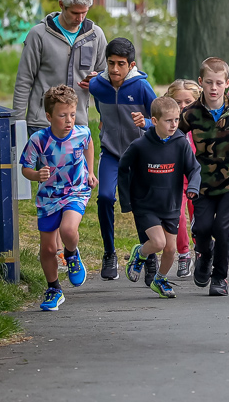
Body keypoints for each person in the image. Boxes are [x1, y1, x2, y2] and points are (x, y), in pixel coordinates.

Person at [13, 0, 107, 271]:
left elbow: (106, 74)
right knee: (48, 188)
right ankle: (51, 248)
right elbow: (24, 80)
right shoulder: (39, 34)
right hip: (43, 123)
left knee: (73, 189)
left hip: (78, 125)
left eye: (84, 12)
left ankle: (69, 244)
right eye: (74, 12)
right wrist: (17, 123)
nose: (80, 18)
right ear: (60, 6)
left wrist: (97, 81)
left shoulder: (95, 35)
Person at [179, 57, 229, 296]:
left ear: (227, 83)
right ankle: (204, 256)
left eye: (218, 83)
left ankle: (220, 277)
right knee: (202, 229)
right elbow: (173, 139)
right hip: (202, 182)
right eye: (208, 83)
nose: (213, 88)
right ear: (200, 83)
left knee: (222, 229)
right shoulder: (191, 113)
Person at [19, 85, 97, 311]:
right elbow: (25, 167)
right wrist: (36, 174)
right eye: (63, 116)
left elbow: (89, 144)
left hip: (76, 189)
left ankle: (72, 254)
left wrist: (90, 172)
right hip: (49, 197)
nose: (69, 120)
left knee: (68, 230)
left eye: (72, 114)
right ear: (49, 116)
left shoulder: (81, 132)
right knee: (48, 249)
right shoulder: (38, 139)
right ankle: (53, 288)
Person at [88, 37, 157, 281]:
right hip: (110, 152)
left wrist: (147, 123)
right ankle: (109, 253)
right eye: (111, 63)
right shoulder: (98, 85)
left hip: (137, 154)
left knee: (140, 205)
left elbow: (160, 119)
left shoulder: (141, 88)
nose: (115, 69)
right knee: (105, 197)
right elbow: (100, 109)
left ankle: (147, 256)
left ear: (131, 65)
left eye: (120, 64)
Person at [120, 97, 201, 298]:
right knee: (158, 243)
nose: (174, 124)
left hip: (171, 204)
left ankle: (160, 279)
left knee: (171, 250)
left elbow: (194, 168)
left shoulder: (181, 143)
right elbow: (123, 168)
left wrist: (193, 186)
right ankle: (140, 254)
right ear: (154, 121)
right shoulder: (140, 145)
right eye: (168, 120)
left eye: (176, 120)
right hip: (145, 203)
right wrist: (126, 199)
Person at [164, 79, 203, 277]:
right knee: (177, 216)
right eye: (178, 102)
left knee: (198, 216)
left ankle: (201, 251)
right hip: (174, 179)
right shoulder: (168, 127)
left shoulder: (202, 123)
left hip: (196, 177)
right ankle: (183, 253)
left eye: (187, 102)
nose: (182, 107)